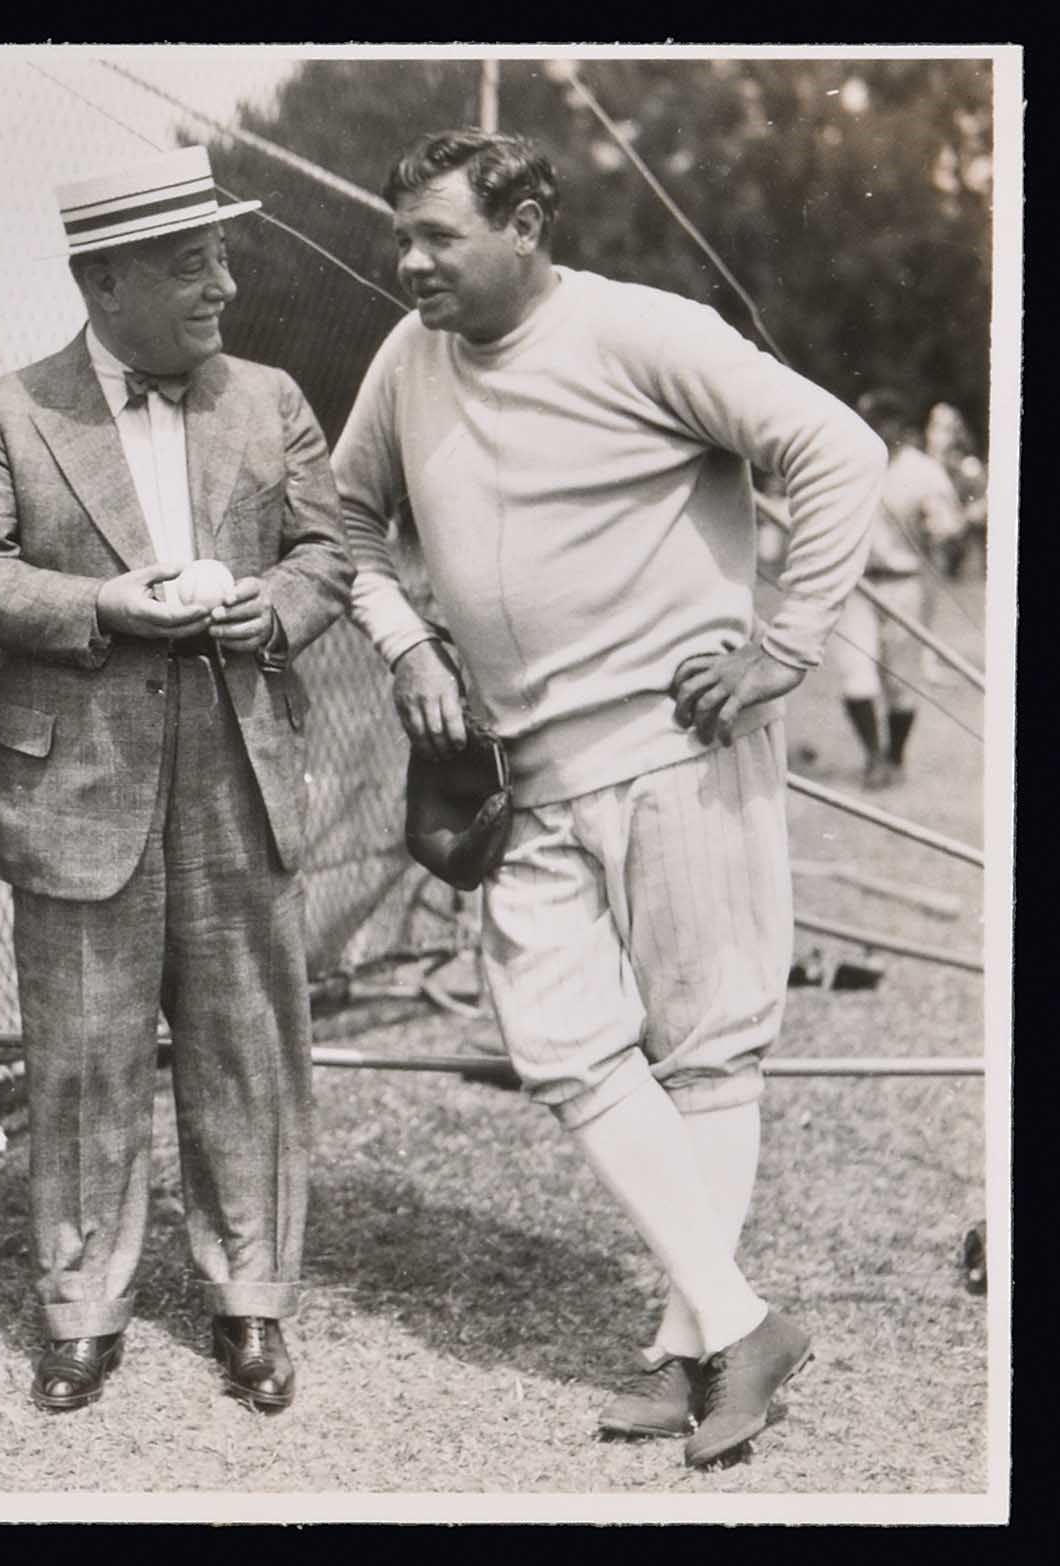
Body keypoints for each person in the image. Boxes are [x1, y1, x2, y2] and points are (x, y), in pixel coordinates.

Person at [332, 129, 885, 1469]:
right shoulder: (409, 360)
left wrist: (783, 644)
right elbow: (341, 516)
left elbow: (840, 453)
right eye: (400, 237)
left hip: (679, 737)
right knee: (565, 1040)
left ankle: (690, 1345)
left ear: (526, 222)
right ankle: (743, 1320)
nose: (410, 263)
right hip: (527, 763)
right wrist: (406, 640)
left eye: (439, 237)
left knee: (707, 1046)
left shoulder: (644, 329)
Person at [0, 145, 353, 1416]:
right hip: (78, 786)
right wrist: (101, 604)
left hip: (240, 773)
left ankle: (251, 1306)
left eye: (220, 255)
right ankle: (80, 1311)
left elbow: (328, 553)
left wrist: (271, 612)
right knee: (82, 1055)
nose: (220, 283)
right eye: (189, 263)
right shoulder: (2, 412)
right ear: (103, 283)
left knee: (249, 1046)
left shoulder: (270, 398)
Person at [835, 390, 963, 787]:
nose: (870, 429)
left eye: (878, 422)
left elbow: (950, 532)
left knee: (901, 682)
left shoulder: (924, 471)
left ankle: (894, 758)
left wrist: (937, 527)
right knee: (856, 675)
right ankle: (873, 758)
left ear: (898, 427)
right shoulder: (848, 463)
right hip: (856, 584)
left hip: (904, 583)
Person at [924, 400, 988, 581]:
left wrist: (960, 521)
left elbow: (983, 504)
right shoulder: (923, 466)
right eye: (934, 426)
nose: (936, 435)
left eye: (945, 429)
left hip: (960, 552)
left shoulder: (968, 467)